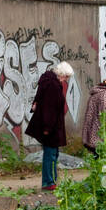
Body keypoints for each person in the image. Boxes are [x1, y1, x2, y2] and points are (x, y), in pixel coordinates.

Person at [25, 62, 73, 191]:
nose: (66, 80)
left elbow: (40, 100)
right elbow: (50, 108)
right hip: (51, 127)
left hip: (50, 126)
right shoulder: (53, 85)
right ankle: (49, 182)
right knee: (51, 155)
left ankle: (51, 181)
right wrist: (47, 128)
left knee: (51, 154)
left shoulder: (47, 81)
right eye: (66, 76)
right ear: (61, 74)